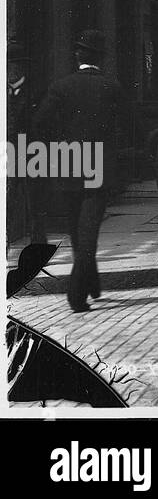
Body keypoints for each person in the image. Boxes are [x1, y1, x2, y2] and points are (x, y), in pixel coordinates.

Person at [33, 30, 126, 312]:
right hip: (99, 167)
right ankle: (77, 294)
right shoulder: (112, 87)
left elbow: (39, 123)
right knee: (89, 230)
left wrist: (60, 144)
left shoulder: (61, 86)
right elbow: (130, 125)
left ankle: (91, 282)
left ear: (79, 56)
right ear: (100, 59)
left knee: (77, 228)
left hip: (69, 163)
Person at [9, 38, 46, 245]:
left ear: (23, 67)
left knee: (35, 201)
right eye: (9, 65)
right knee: (8, 200)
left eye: (16, 65)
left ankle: (38, 243)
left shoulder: (36, 92)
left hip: (31, 151)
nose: (12, 70)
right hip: (7, 154)